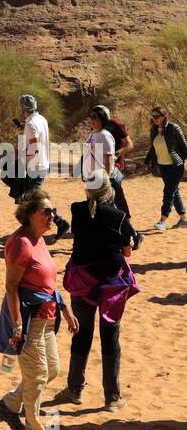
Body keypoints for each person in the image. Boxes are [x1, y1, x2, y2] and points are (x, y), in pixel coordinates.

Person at [0, 190, 78, 430]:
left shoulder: (39, 239)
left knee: (50, 369)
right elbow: (11, 287)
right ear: (31, 214)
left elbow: (47, 283)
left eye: (53, 211)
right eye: (47, 211)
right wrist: (17, 325)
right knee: (37, 375)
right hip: (29, 321)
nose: (53, 215)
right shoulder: (20, 244)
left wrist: (65, 309)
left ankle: (8, 405)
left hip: (47, 317)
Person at [52, 170, 140, 411]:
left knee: (82, 334)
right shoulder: (118, 216)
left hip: (82, 282)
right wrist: (131, 240)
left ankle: (75, 389)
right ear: (108, 190)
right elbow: (128, 251)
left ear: (87, 189)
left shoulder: (76, 210)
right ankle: (112, 397)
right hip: (111, 285)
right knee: (110, 339)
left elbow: (92, 220)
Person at [14, 94, 70, 240]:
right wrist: (24, 126)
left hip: (35, 166)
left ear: (22, 109)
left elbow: (35, 147)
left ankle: (59, 222)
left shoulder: (31, 124)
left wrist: (18, 154)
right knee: (34, 200)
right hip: (40, 164)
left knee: (34, 202)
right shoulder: (40, 119)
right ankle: (58, 222)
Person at [90, 103, 135, 223]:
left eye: (97, 116)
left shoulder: (115, 124)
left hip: (114, 163)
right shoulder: (96, 128)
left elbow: (129, 144)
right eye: (93, 116)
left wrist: (118, 153)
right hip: (100, 164)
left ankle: (126, 219)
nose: (93, 119)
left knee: (115, 191)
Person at [145, 105, 187, 231]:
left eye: (157, 116)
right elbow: (153, 148)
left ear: (164, 116)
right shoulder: (154, 130)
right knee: (174, 192)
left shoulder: (173, 128)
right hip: (162, 167)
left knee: (168, 192)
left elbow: (184, 146)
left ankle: (162, 220)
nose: (154, 119)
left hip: (176, 166)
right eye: (153, 117)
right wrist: (147, 161)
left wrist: (184, 160)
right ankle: (183, 219)